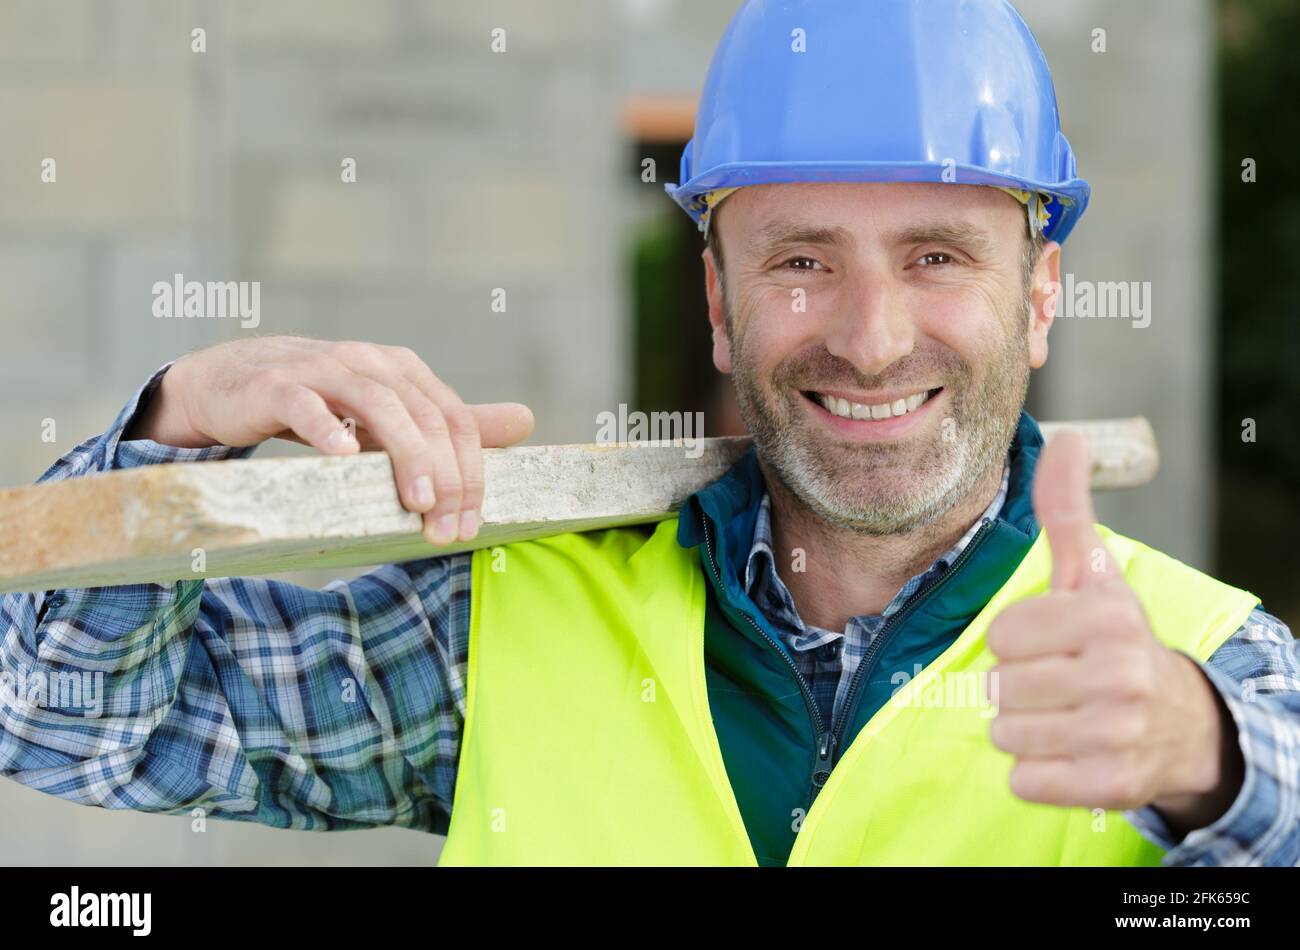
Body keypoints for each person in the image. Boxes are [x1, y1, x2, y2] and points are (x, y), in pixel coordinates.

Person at [2, 0, 1297, 865]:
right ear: (720, 307)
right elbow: (60, 719)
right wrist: (167, 439)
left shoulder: (1205, 663)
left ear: (1043, 298)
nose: (873, 336)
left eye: (938, 256)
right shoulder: (500, 630)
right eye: (800, 261)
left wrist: (1199, 759)